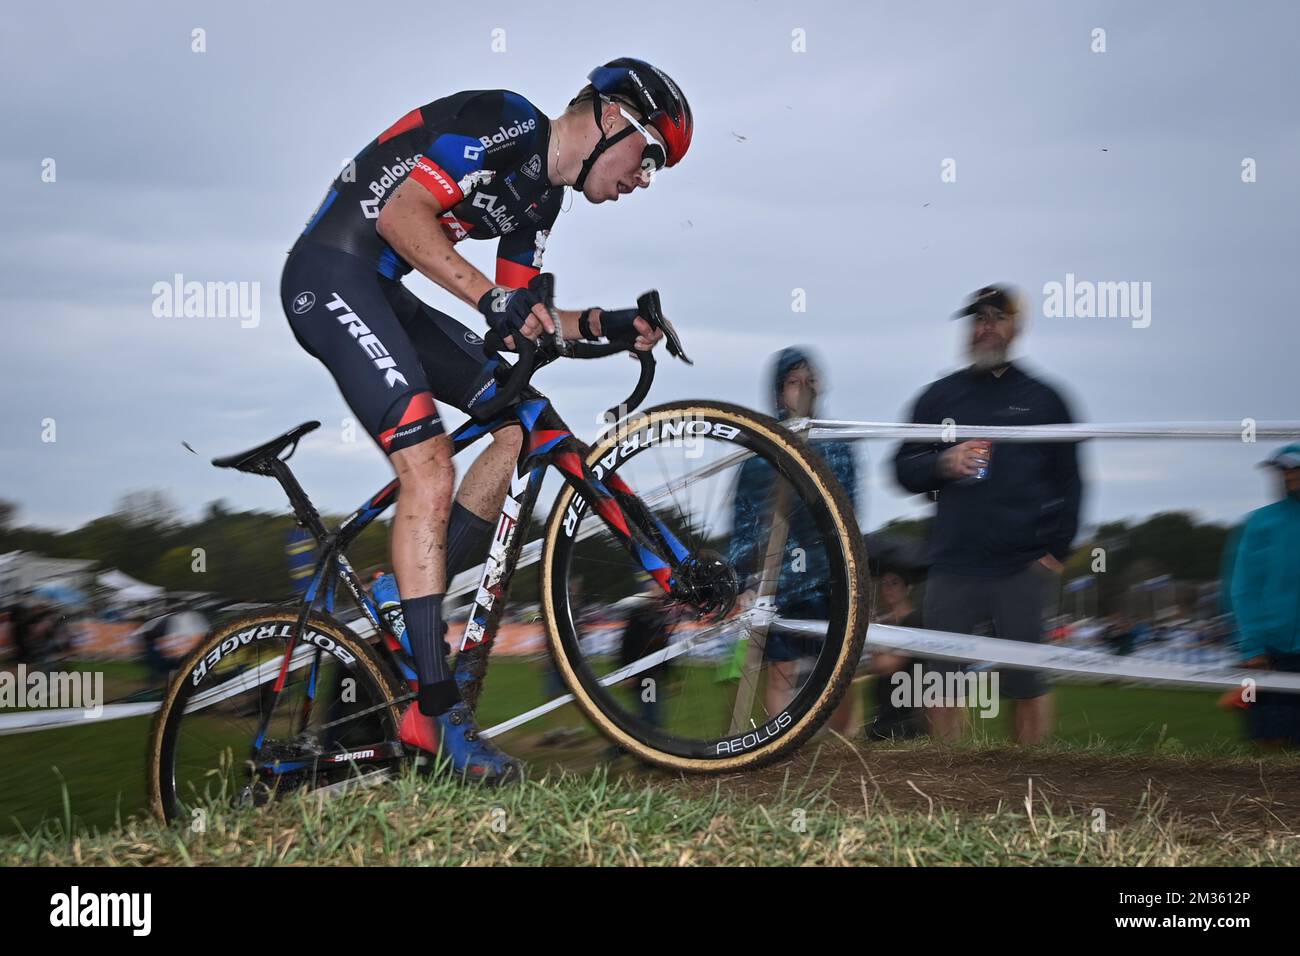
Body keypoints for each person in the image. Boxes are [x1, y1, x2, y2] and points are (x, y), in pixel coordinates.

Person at [280, 59, 691, 784]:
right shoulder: (510, 121)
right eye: (650, 154)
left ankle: (399, 601)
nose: (646, 178)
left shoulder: (540, 201)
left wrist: (611, 324)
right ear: (611, 118)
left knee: (520, 419)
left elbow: (525, 326)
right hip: (331, 274)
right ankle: (432, 714)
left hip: (382, 287)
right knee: (430, 462)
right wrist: (487, 301)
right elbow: (401, 214)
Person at [893, 285, 1082, 744]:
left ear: (1017, 327)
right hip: (952, 562)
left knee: (1027, 684)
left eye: (997, 317)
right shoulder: (938, 397)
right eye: (977, 318)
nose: (986, 327)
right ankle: (946, 782)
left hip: (1022, 566)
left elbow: (1072, 482)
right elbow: (902, 467)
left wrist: (1055, 552)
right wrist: (943, 462)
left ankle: (1030, 784)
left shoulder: (1046, 399)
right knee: (941, 684)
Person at [727, 346, 861, 734]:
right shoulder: (758, 454)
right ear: (777, 392)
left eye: (809, 382)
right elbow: (743, 521)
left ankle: (843, 748)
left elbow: (851, 515)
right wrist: (740, 580)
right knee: (781, 671)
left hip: (829, 577)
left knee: (839, 670)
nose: (802, 390)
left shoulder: (838, 445)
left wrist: (853, 572)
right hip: (780, 580)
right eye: (792, 383)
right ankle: (781, 746)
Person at [1230, 442, 1300, 748]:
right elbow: (1245, 588)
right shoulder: (1261, 522)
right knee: (1271, 743)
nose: (1288, 476)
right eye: (1282, 470)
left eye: (1295, 468)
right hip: (1273, 652)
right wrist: (1252, 647)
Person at [865, 567, 927, 740]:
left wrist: (878, 643)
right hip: (885, 716)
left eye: (894, 583)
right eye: (884, 584)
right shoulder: (888, 625)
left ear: (908, 588)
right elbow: (873, 666)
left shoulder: (915, 621)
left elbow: (885, 665)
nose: (888, 589)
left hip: (905, 720)